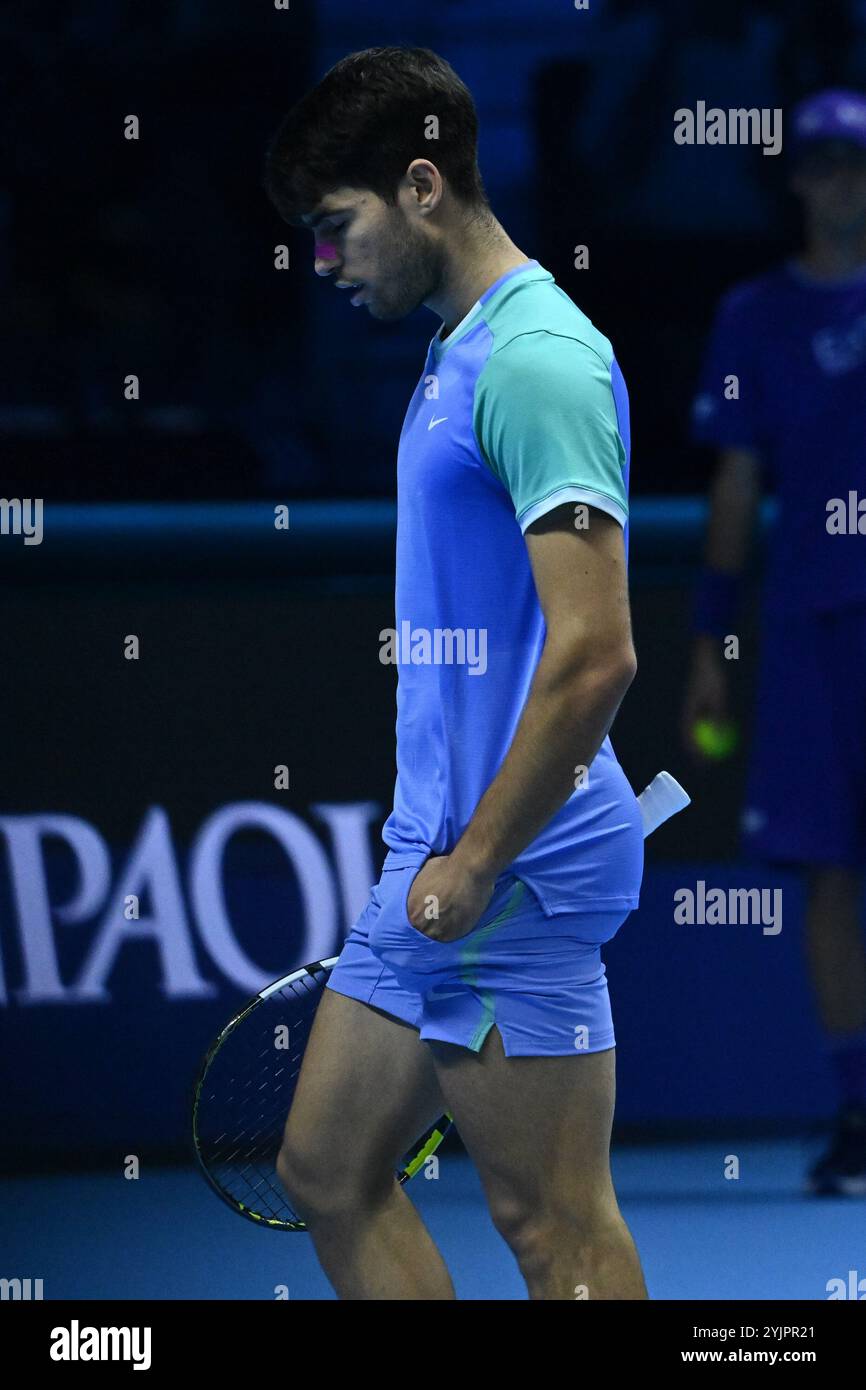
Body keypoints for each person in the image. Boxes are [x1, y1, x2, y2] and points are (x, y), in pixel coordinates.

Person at [263, 46, 647, 1297]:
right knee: (325, 1166)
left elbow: (595, 655)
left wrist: (476, 864)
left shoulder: (537, 359)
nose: (324, 264)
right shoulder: (459, 348)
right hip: (437, 853)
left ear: (421, 187)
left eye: (336, 227)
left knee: (552, 1228)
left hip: (510, 862)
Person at [684, 89, 866, 1196]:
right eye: (819, 166)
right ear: (793, 180)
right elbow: (734, 482)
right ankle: (856, 1108)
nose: (837, 183)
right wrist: (708, 641)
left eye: (854, 164)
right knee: (829, 877)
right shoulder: (750, 316)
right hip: (804, 629)